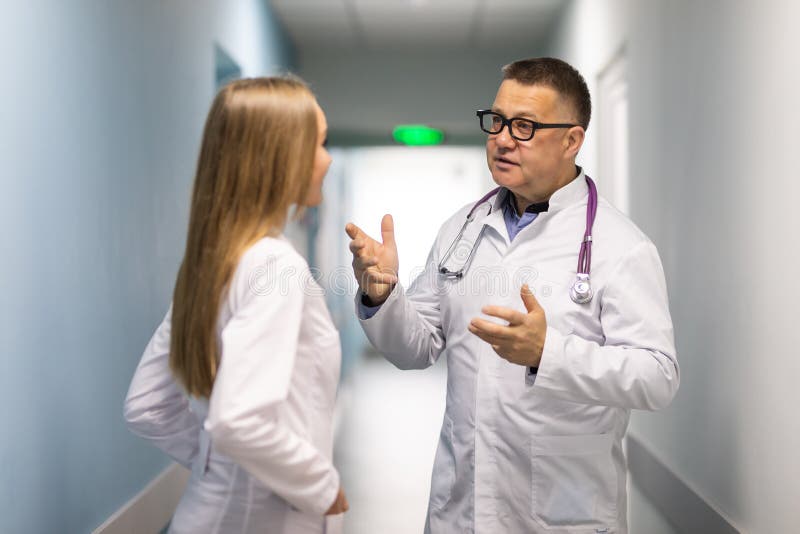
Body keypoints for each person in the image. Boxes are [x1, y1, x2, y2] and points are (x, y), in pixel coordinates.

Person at [345, 57, 679, 533]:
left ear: (572, 140)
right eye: (497, 121)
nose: (502, 138)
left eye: (524, 127)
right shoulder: (460, 229)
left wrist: (551, 354)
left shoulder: (621, 246)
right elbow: (415, 348)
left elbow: (658, 375)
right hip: (463, 508)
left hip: (563, 513)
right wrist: (382, 296)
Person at [124, 76, 348, 534]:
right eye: (319, 144)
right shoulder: (275, 265)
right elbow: (237, 419)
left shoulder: (212, 264)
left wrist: (218, 467)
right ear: (281, 157)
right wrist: (322, 487)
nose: (327, 160)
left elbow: (146, 405)